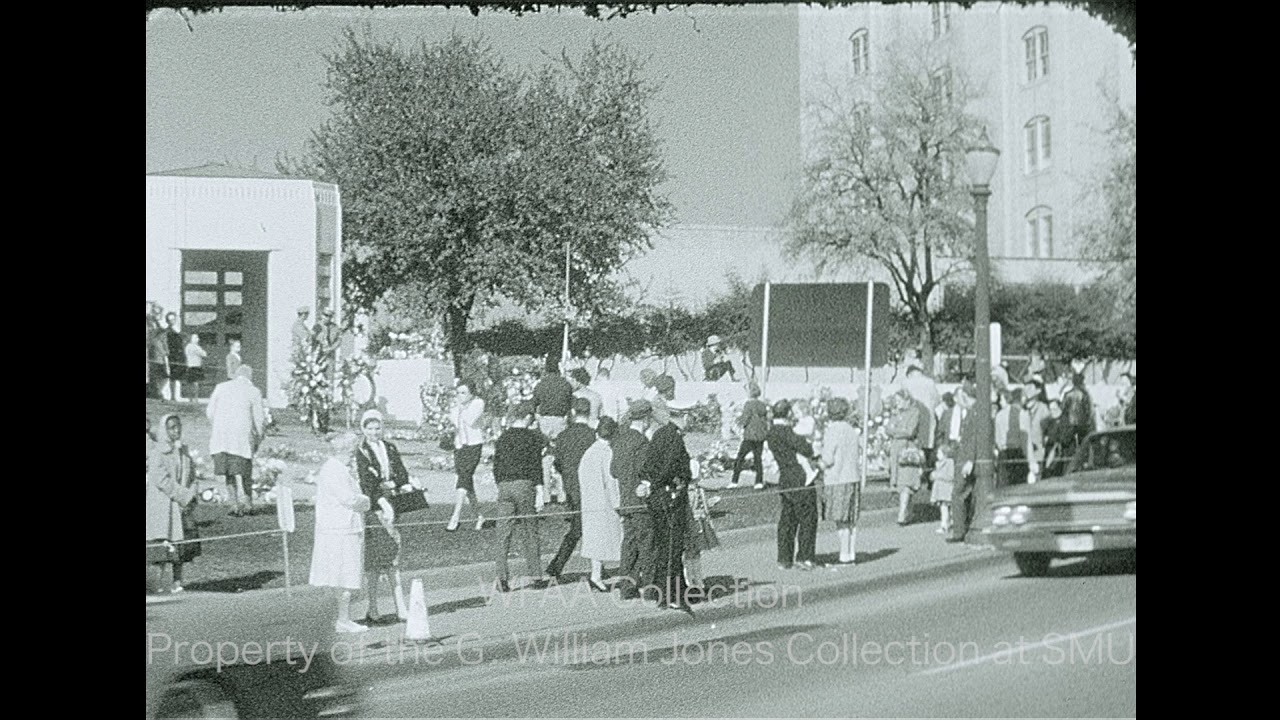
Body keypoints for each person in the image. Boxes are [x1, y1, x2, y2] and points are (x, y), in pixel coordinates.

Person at [309, 432, 371, 634]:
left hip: (343, 528)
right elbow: (349, 499)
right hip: (340, 530)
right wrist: (366, 501)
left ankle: (342, 617)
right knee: (343, 574)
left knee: (343, 575)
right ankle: (342, 619)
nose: (353, 457)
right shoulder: (334, 470)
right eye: (352, 452)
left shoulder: (338, 469)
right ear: (343, 451)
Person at [354, 410, 412, 624]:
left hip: (392, 505)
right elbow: (366, 482)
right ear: (363, 429)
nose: (374, 432)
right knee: (375, 560)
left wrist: (395, 484)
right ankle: (373, 606)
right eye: (369, 428)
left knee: (393, 556)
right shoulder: (362, 451)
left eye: (377, 427)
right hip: (376, 507)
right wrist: (381, 499)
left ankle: (400, 606)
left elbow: (401, 473)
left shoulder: (389, 448)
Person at [638, 397, 696, 611]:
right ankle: (670, 595)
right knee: (672, 548)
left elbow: (647, 467)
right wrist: (660, 483)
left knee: (664, 546)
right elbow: (670, 467)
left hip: (659, 498)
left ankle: (669, 591)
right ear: (683, 417)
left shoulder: (660, 434)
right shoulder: (673, 438)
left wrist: (650, 483)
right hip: (669, 498)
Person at [491, 402, 549, 593]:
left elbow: (496, 466)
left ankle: (502, 578)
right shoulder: (531, 438)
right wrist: (540, 491)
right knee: (529, 531)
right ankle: (535, 575)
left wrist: (500, 483)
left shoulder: (502, 438)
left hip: (504, 486)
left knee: (503, 534)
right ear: (527, 417)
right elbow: (535, 466)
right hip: (524, 485)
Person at [546, 397, 598, 581]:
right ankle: (595, 569)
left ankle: (558, 565)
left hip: (572, 486)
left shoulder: (563, 436)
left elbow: (557, 464)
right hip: (592, 486)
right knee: (586, 527)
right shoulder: (593, 436)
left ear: (573, 412)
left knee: (579, 527)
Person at [207, 364, 266, 516]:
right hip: (241, 437)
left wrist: (219, 426)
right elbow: (259, 419)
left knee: (228, 472)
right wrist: (259, 437)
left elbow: (209, 412)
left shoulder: (220, 387)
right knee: (245, 471)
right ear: (250, 377)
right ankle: (247, 503)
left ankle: (233, 503)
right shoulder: (253, 391)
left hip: (221, 436)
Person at [147, 415, 198, 593]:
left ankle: (177, 581)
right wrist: (182, 495)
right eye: (171, 428)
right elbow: (161, 480)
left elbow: (192, 475)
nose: (176, 431)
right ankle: (157, 583)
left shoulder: (184, 451)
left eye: (178, 427)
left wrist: (191, 494)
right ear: (164, 430)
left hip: (180, 506)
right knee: (162, 544)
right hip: (163, 505)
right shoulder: (157, 452)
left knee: (180, 545)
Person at [767, 399, 819, 570]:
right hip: (800, 477)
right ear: (788, 413)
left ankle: (784, 557)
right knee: (807, 517)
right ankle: (805, 556)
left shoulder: (772, 432)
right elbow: (807, 450)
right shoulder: (787, 432)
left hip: (785, 477)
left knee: (787, 519)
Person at [612, 400, 655, 601]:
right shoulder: (642, 442)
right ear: (645, 418)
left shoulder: (619, 440)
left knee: (628, 543)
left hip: (625, 499)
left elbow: (614, 470)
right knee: (647, 543)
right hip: (640, 501)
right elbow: (645, 470)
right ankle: (649, 587)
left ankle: (626, 587)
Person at [577, 416, 622, 592]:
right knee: (607, 538)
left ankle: (596, 575)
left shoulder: (588, 453)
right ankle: (598, 576)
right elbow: (610, 481)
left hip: (589, 501)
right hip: (604, 502)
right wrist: (617, 504)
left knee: (594, 540)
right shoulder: (607, 453)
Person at [947, 383, 993, 543]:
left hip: (968, 459)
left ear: (965, 396)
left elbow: (974, 438)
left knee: (958, 493)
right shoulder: (976, 411)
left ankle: (959, 530)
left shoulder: (976, 413)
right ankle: (965, 528)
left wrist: (969, 460)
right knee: (968, 494)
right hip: (968, 458)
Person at [820, 397, 862, 565]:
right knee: (851, 519)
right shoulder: (852, 430)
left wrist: (819, 462)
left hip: (837, 479)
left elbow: (828, 458)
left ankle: (844, 553)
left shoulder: (832, 431)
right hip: (853, 477)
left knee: (841, 520)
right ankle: (851, 552)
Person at [446, 381, 486, 532]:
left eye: (463, 393)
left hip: (474, 445)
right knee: (465, 482)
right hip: (460, 445)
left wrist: (461, 408)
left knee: (464, 477)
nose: (460, 396)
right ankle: (479, 515)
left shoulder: (478, 403)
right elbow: (454, 423)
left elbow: (470, 420)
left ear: (471, 394)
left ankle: (455, 517)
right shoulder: (455, 407)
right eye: (458, 392)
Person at [532, 356, 574, 504]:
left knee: (545, 459)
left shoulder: (540, 385)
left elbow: (534, 404)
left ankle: (546, 496)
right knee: (561, 457)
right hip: (561, 420)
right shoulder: (566, 384)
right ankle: (562, 494)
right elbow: (570, 405)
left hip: (545, 421)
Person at [886, 388, 926, 526]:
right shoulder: (896, 413)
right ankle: (907, 511)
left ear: (906, 400)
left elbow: (910, 431)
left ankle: (902, 514)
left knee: (906, 482)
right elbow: (888, 429)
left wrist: (896, 431)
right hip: (896, 449)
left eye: (899, 401)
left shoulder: (914, 412)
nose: (897, 404)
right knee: (900, 482)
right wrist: (898, 431)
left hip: (908, 450)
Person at [727, 382, 770, 490]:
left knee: (740, 458)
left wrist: (737, 420)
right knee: (758, 459)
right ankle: (759, 481)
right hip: (760, 436)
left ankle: (734, 481)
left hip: (750, 435)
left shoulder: (748, 404)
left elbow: (745, 420)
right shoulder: (762, 404)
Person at [994, 388, 1037, 488]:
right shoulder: (1023, 414)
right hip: (1018, 454)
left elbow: (997, 439)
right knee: (1018, 488)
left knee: (1003, 488)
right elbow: (1026, 441)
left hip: (1003, 454)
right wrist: (1032, 462)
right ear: (1022, 398)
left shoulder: (999, 415)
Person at [1061, 373, 1096, 453]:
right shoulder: (1085, 394)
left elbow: (1063, 409)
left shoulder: (1068, 394)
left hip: (1070, 423)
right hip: (1082, 423)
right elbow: (1089, 410)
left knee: (1069, 447)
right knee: (1084, 445)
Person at [930, 442, 956, 536]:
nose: (937, 455)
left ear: (945, 454)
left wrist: (938, 475)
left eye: (939, 453)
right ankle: (944, 525)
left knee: (950, 508)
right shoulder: (938, 464)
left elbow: (950, 476)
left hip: (947, 489)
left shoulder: (950, 463)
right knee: (943, 508)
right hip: (940, 490)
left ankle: (951, 524)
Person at [164, 313, 185, 401]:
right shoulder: (167, 331)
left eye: (173, 319)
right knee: (173, 376)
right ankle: (173, 395)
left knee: (181, 375)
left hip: (181, 355)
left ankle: (179, 394)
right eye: (170, 320)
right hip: (173, 356)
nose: (172, 322)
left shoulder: (180, 330)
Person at [183, 334, 207, 402]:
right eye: (195, 337)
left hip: (192, 365)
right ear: (191, 339)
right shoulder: (195, 347)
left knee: (191, 383)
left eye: (197, 337)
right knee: (195, 383)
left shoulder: (188, 346)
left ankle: (191, 398)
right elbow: (203, 354)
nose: (197, 339)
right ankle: (195, 398)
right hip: (194, 366)